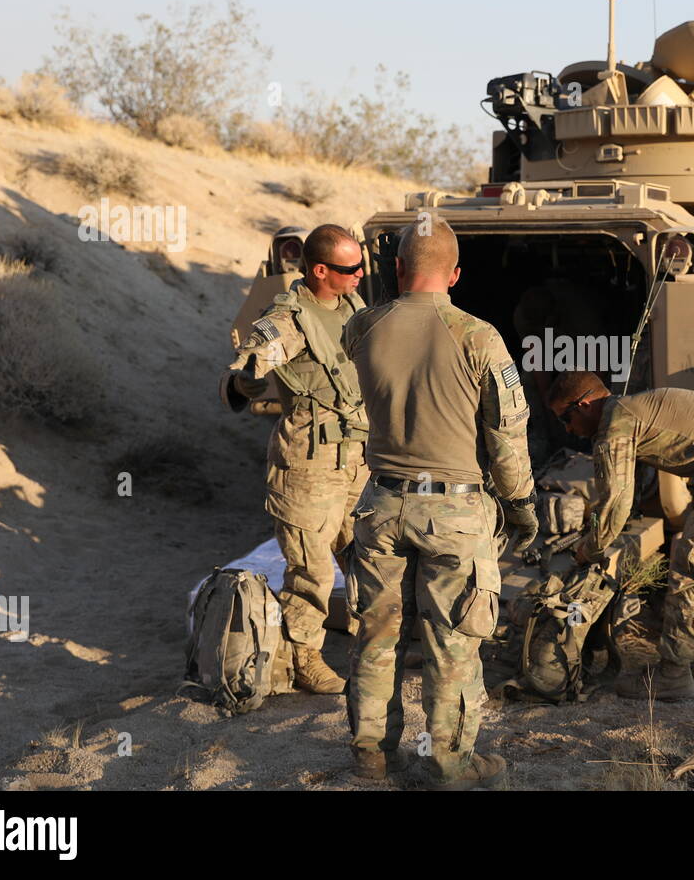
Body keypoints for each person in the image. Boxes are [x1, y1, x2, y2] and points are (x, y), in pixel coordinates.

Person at [342, 214, 538, 788]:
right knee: (452, 644)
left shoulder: (361, 328)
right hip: (452, 513)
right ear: (456, 274)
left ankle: (371, 757)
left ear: (397, 269)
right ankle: (451, 764)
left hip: (380, 504)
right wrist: (523, 507)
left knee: (377, 638)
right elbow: (508, 440)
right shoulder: (479, 337)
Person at [547, 373, 694, 700]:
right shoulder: (631, 410)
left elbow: (616, 502)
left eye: (565, 418)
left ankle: (673, 676)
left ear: (585, 405)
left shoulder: (616, 421)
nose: (568, 429)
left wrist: (588, 549)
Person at [220, 224, 370, 694]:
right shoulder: (287, 316)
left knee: (365, 554)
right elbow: (252, 360)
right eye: (350, 269)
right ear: (320, 270)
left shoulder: (353, 306)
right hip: (308, 462)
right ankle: (305, 658)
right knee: (312, 568)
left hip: (356, 457)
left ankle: (369, 638)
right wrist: (247, 377)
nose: (360, 275)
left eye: (362, 265)